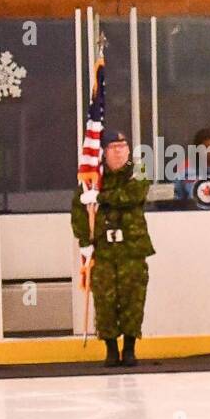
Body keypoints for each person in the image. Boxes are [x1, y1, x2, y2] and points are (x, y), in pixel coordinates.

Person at [71, 128, 155, 368]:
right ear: (104, 151)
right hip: (104, 249)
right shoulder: (92, 178)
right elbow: (78, 211)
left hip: (132, 248)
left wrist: (100, 198)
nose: (120, 152)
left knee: (133, 300)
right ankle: (110, 349)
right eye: (114, 148)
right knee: (105, 302)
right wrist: (84, 242)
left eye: (123, 147)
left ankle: (129, 349)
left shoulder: (137, 171)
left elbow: (133, 195)